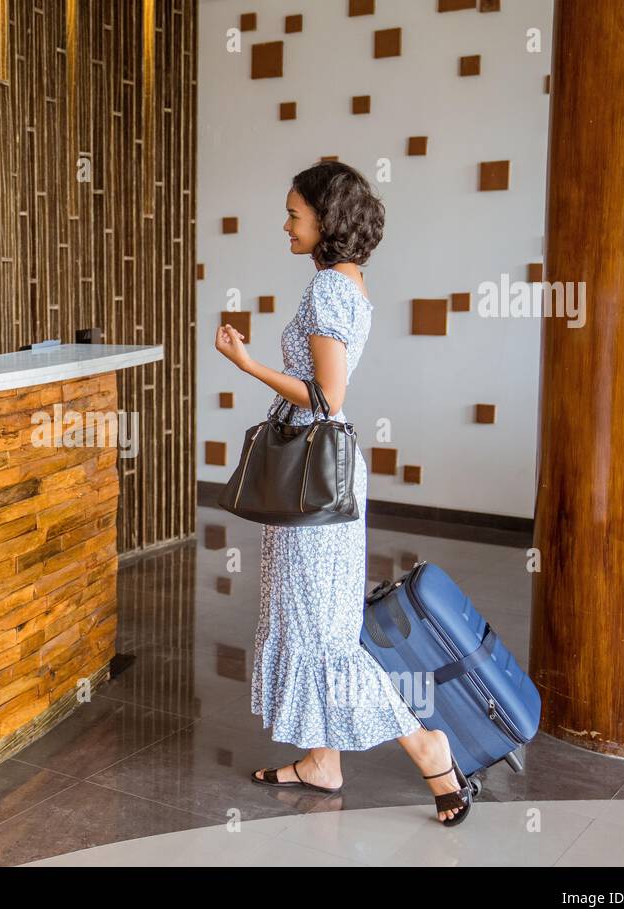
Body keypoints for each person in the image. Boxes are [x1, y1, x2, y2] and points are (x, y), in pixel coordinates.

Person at [213, 161, 472, 826]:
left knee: (323, 634)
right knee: (312, 621)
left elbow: (328, 397)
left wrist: (247, 365)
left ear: (325, 223)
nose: (286, 224)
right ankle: (321, 762)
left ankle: (429, 749)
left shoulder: (329, 290)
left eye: (295, 214)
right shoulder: (350, 284)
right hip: (315, 470)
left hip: (311, 470)